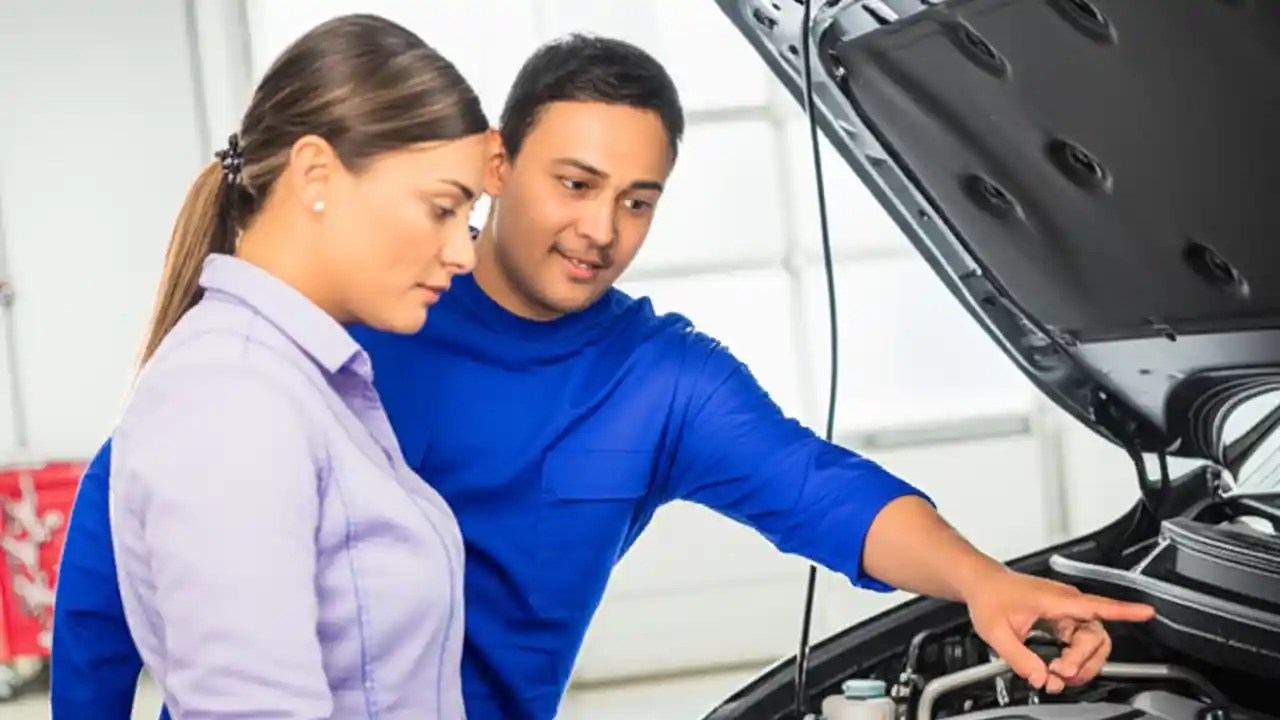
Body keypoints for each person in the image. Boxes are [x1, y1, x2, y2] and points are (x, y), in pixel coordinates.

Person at [52, 33, 1154, 720]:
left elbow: (822, 490)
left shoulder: (659, 379)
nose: (600, 228)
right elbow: (125, 513)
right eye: (574, 182)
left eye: (639, 198)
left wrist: (980, 582)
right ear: (497, 162)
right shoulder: (348, 324)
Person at [74, 13, 491, 719]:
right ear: (316, 173)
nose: (464, 253)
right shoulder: (231, 396)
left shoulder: (300, 381)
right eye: (442, 208)